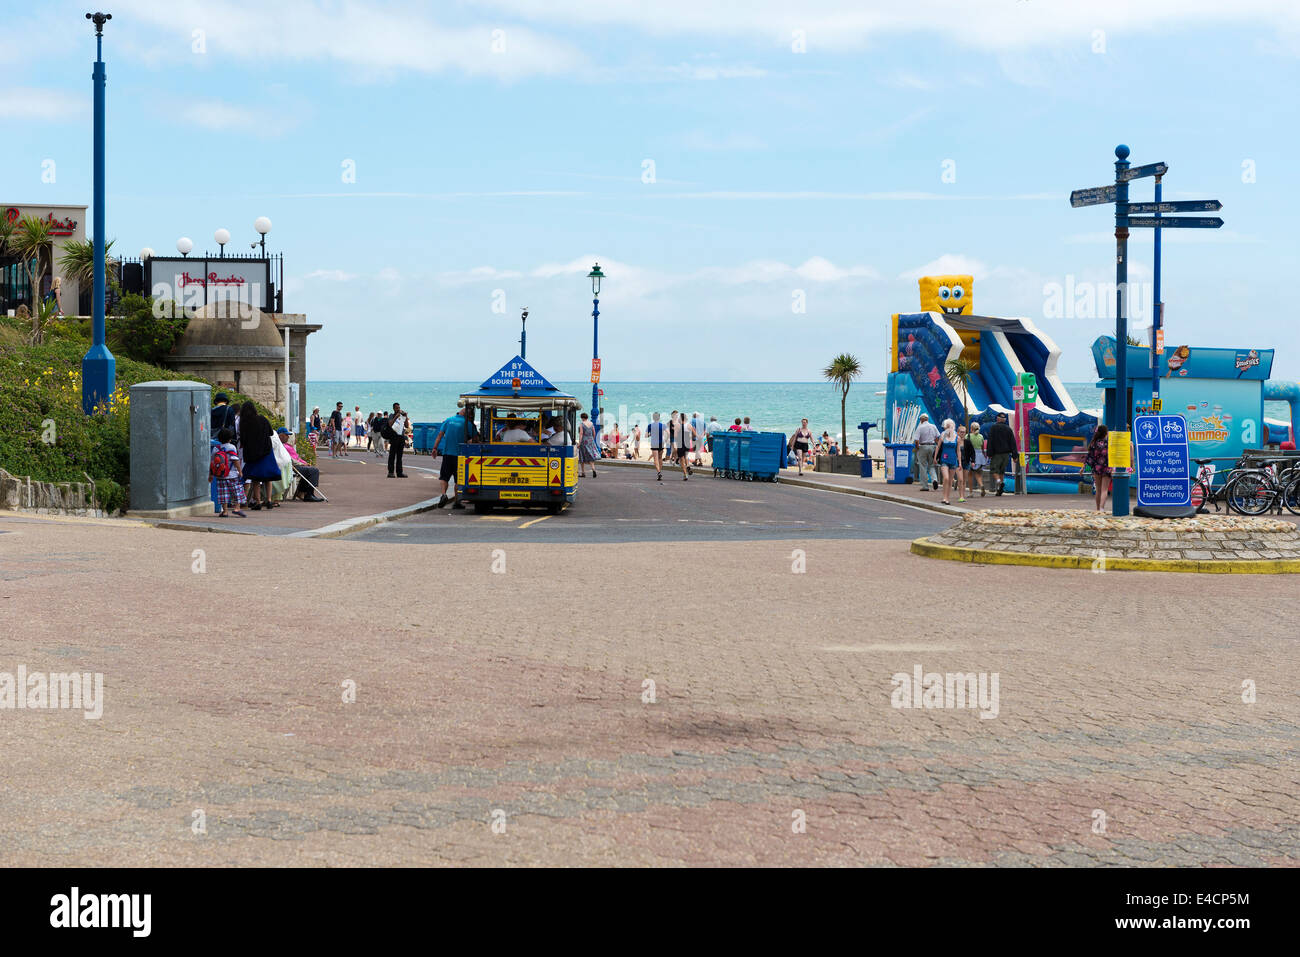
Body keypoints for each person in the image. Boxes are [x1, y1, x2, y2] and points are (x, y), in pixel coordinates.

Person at [433, 405, 479, 509]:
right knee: (458, 479)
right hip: (460, 456)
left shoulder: (448, 420)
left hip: (447, 454)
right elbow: (475, 440)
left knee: (444, 477)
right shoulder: (468, 424)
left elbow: (440, 435)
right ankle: (457, 501)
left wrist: (435, 448)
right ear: (467, 415)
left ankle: (444, 494)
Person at [237, 401, 280, 510]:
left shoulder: (244, 423)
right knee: (267, 478)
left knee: (255, 478)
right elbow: (271, 433)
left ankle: (257, 502)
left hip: (252, 453)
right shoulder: (262, 419)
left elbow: (243, 439)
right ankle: (269, 500)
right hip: (266, 451)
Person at [278, 429, 325, 501]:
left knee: (309, 470)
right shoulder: (283, 446)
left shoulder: (288, 446)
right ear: (281, 435)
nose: (288, 437)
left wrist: (304, 463)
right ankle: (308, 494)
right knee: (314, 471)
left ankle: (304, 492)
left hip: (296, 465)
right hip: (292, 466)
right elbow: (291, 460)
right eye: (286, 435)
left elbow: (297, 458)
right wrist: (302, 464)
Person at [211, 427, 247, 518]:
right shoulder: (232, 447)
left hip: (220, 476)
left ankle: (225, 511)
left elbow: (213, 463)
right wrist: (240, 471)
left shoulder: (216, 448)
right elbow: (235, 460)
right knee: (237, 491)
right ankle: (237, 508)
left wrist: (211, 475)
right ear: (230, 438)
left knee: (223, 494)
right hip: (232, 475)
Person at [984, 411, 1017, 496]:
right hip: (1006, 455)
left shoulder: (993, 428)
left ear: (997, 419)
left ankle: (999, 483)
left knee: (994, 471)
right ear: (1005, 420)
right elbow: (1013, 442)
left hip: (996, 454)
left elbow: (990, 441)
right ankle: (999, 489)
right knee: (1002, 472)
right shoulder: (1008, 429)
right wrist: (1014, 455)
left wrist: (989, 453)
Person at [1085, 424, 1112, 511]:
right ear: (1106, 433)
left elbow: (1089, 457)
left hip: (1096, 468)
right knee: (1105, 490)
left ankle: (1097, 509)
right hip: (1106, 468)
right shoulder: (1108, 444)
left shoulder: (1093, 443)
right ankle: (1102, 508)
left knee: (1098, 490)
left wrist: (1084, 467)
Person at [936, 418, 962, 505]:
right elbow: (938, 447)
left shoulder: (957, 437)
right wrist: (935, 457)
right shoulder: (942, 435)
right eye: (946, 426)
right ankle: (944, 496)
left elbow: (958, 450)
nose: (947, 428)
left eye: (949, 426)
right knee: (946, 478)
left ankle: (947, 498)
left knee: (950, 480)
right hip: (944, 459)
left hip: (953, 460)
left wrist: (960, 463)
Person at [913, 413, 940, 490]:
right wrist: (937, 447)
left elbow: (916, 440)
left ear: (921, 420)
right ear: (927, 419)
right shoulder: (933, 426)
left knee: (923, 466)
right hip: (932, 446)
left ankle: (925, 486)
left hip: (923, 446)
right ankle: (934, 479)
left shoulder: (920, 427)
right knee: (931, 465)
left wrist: (917, 448)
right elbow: (937, 438)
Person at [387, 402, 409, 477]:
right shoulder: (391, 415)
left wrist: (406, 417)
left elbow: (406, 426)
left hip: (401, 437)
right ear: (393, 408)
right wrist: (396, 416)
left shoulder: (402, 416)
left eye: (399, 408)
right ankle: (390, 472)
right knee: (392, 455)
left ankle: (399, 473)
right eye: (396, 408)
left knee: (399, 456)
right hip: (394, 437)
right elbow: (390, 424)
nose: (398, 409)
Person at [577, 412, 600, 477]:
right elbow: (594, 432)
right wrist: (592, 439)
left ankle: (583, 472)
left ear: (582, 418)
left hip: (584, 440)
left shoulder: (582, 424)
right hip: (590, 440)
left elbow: (581, 433)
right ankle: (593, 469)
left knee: (582, 456)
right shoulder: (591, 423)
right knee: (591, 455)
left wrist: (579, 442)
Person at [968, 421, 987, 497]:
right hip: (980, 456)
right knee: (978, 474)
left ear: (971, 428)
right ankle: (981, 485)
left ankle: (971, 492)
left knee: (970, 474)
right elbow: (982, 447)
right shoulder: (981, 436)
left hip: (971, 456)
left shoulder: (968, 436)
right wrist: (984, 456)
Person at [647, 412, 667, 480]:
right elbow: (669, 433)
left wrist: (650, 434)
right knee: (660, 458)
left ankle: (658, 472)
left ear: (653, 418)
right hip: (661, 443)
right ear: (659, 417)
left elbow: (646, 435)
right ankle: (660, 471)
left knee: (655, 459)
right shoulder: (663, 425)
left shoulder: (650, 426)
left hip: (654, 443)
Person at [958, 424, 975, 501]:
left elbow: (972, 452)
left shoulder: (968, 442)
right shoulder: (956, 442)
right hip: (958, 463)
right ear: (958, 432)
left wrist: (973, 461)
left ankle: (962, 495)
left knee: (964, 480)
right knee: (960, 479)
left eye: (964, 432)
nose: (962, 433)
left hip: (966, 462)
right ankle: (961, 495)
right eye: (961, 432)